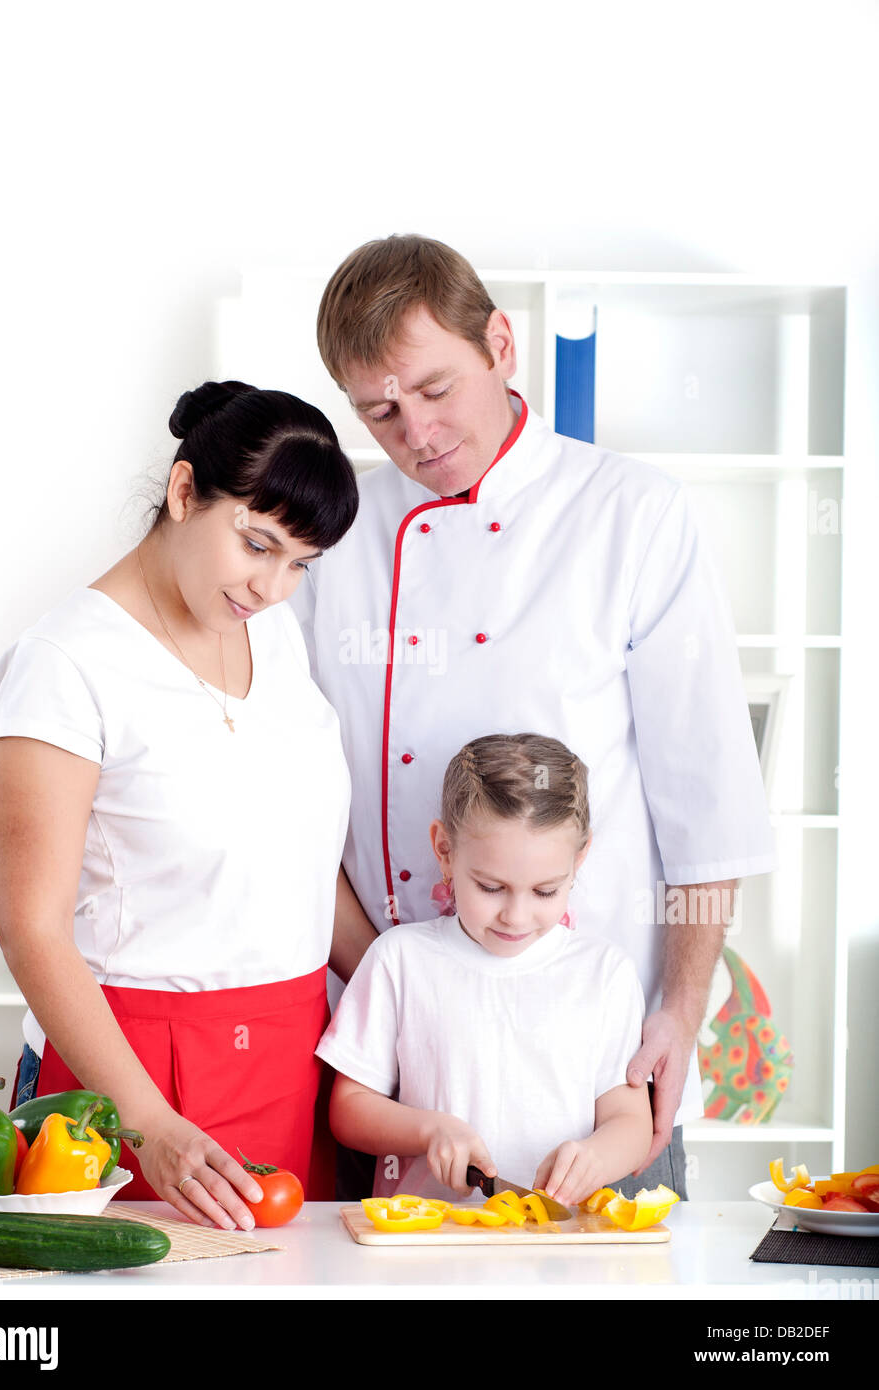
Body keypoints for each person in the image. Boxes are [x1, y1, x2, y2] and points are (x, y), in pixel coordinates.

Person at [291, 234, 777, 1201]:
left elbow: (707, 801)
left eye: (434, 390)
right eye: (378, 410)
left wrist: (679, 1012)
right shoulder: (334, 541)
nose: (415, 432)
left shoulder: (629, 513)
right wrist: (402, 980)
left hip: (593, 1072)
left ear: (500, 345)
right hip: (394, 1078)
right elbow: (301, 803)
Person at [0, 380, 377, 1230]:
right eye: (256, 544)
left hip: (293, 1052)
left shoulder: (268, 631)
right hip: (137, 1069)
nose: (274, 585)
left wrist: (407, 993)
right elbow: (30, 926)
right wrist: (148, 1122)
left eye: (300, 564)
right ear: (184, 490)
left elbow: (302, 857)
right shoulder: (64, 664)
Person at [316, 734, 654, 1204]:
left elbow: (632, 1122)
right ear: (445, 851)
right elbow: (349, 1111)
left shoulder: (604, 973)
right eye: (491, 887)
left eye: (544, 891)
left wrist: (597, 1155)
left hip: (559, 1248)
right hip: (427, 1244)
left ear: (579, 860)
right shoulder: (401, 960)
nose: (515, 916)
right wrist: (429, 1130)